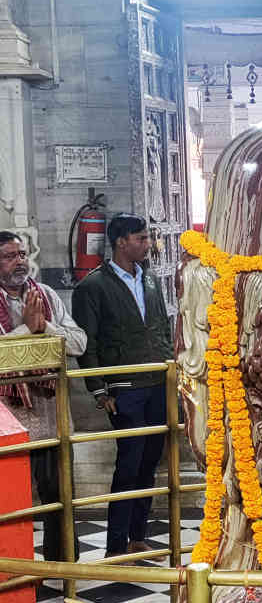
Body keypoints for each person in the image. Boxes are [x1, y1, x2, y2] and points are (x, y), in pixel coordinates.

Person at [72, 214, 172, 557]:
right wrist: (99, 390)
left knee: (149, 464)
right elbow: (89, 342)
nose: (147, 244)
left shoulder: (151, 280)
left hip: (157, 383)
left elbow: (161, 327)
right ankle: (115, 544)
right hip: (124, 387)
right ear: (121, 242)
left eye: (147, 238)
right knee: (129, 463)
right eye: (141, 238)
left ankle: (137, 536)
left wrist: (170, 367)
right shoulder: (93, 287)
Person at [0, 231, 86, 560]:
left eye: (22, 254)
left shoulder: (45, 294)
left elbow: (79, 343)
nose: (20, 261)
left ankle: (64, 567)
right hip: (9, 423)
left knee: (59, 494)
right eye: (10, 256)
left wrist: (45, 326)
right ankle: (18, 573)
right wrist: (26, 328)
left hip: (52, 418)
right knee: (13, 500)